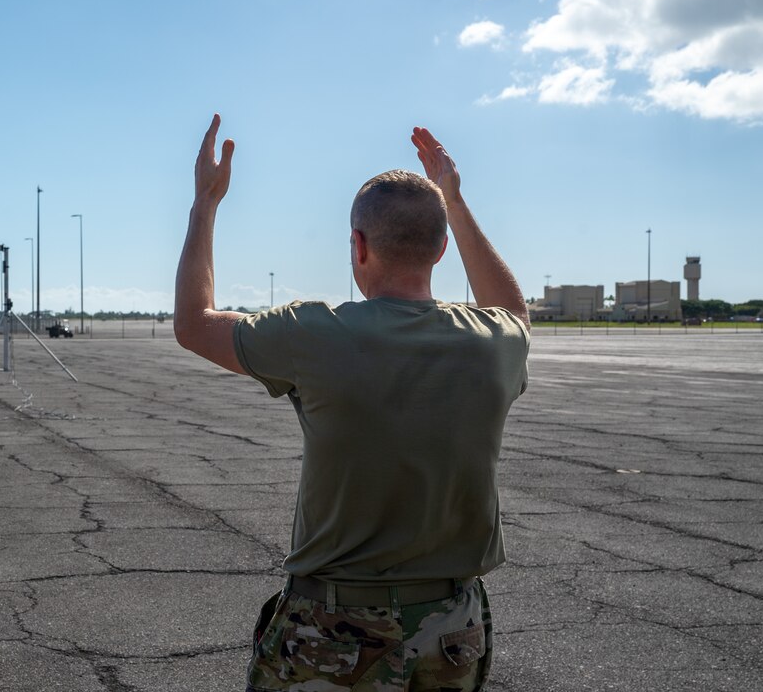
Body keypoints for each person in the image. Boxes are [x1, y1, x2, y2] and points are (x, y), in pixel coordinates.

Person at [174, 114, 530, 691]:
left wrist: (205, 204)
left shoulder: (313, 332)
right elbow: (515, 313)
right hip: (451, 631)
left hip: (333, 631)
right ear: (442, 249)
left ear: (357, 245)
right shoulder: (495, 342)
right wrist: (453, 200)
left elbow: (194, 324)